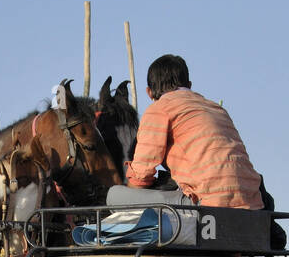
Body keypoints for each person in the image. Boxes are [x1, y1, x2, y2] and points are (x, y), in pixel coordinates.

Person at [113, 54, 265, 209]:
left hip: (207, 201)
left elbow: (141, 177)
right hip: (252, 201)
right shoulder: (216, 108)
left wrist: (131, 195)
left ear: (149, 92)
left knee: (115, 195)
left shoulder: (158, 109)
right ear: (190, 85)